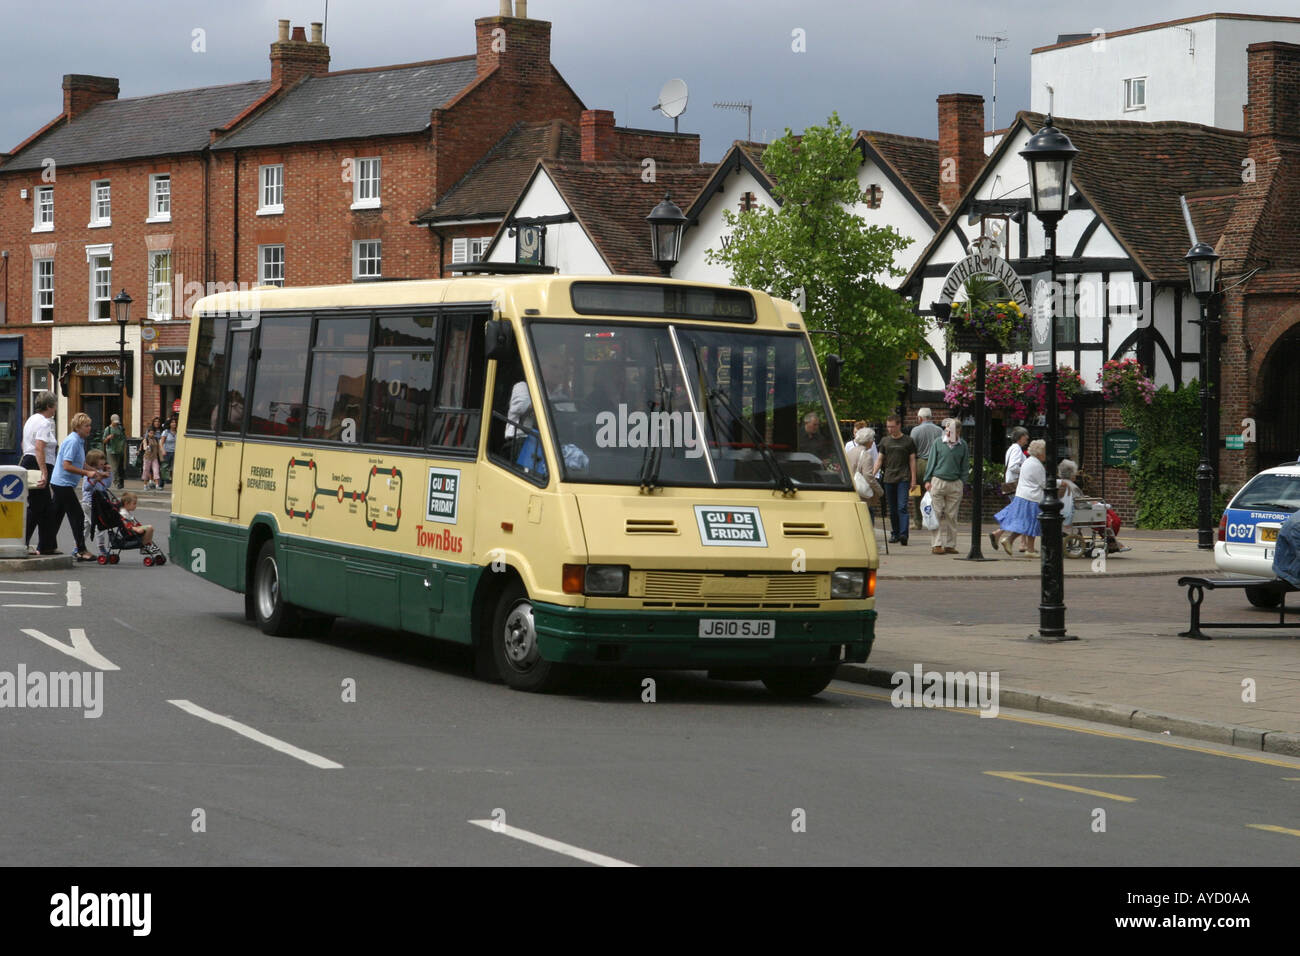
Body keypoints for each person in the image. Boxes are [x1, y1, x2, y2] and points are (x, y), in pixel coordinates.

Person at [49, 412, 103, 562]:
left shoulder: (79, 441)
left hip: (63, 483)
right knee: (77, 516)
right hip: (62, 483)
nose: (89, 428)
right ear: (78, 427)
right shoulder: (73, 441)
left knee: (56, 516)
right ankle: (81, 550)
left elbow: (79, 463)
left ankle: (47, 545)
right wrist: (87, 473)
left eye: (90, 425)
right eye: (86, 426)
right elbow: (66, 465)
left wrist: (95, 472)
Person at [991, 438, 1046, 556]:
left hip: (1023, 495)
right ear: (1040, 452)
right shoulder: (1037, 465)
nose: (1046, 454)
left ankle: (1008, 539)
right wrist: (1059, 482)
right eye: (1045, 451)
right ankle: (1029, 549)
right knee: (1030, 523)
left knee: (1022, 521)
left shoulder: (1028, 461)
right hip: (1032, 497)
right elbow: (1044, 483)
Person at [21, 391, 59, 555]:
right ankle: (21, 542)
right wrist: (44, 472)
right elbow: (39, 447)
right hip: (38, 464)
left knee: (46, 507)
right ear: (49, 406)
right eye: (55, 405)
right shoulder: (44, 422)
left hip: (29, 461)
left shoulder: (31, 420)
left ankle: (47, 545)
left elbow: (25, 443)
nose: (55, 409)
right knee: (37, 507)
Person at [923, 418, 969, 554]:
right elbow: (931, 461)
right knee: (936, 513)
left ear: (959, 431)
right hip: (938, 481)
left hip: (955, 482)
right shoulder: (938, 443)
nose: (949, 433)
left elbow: (965, 465)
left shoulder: (963, 445)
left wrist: (962, 481)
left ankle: (950, 544)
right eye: (947, 430)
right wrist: (927, 479)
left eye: (952, 430)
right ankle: (936, 544)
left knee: (952, 515)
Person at [878, 414, 917, 545]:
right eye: (888, 427)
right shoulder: (885, 441)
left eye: (892, 427)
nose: (890, 429)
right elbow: (880, 459)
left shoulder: (908, 441)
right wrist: (873, 473)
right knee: (892, 508)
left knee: (902, 507)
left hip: (903, 478)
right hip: (889, 478)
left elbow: (912, 461)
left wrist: (913, 479)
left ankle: (903, 534)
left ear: (899, 425)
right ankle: (895, 533)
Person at [80, 449, 111, 546]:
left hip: (98, 502)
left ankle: (78, 545)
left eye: (103, 460)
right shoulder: (89, 473)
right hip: (89, 502)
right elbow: (86, 488)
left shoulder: (101, 471)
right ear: (93, 462)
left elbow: (107, 485)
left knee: (87, 526)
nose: (103, 462)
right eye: (101, 461)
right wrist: (96, 480)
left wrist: (109, 473)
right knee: (99, 525)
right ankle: (101, 547)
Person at [102, 414, 125, 490]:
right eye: (115, 422)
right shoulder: (107, 429)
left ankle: (117, 481)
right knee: (114, 468)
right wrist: (108, 438)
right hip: (111, 450)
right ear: (111, 421)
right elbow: (103, 441)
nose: (116, 423)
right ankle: (116, 482)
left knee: (118, 467)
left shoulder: (120, 428)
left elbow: (123, 438)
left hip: (119, 450)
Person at [159, 418, 177, 488]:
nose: (174, 424)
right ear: (169, 424)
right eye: (172, 422)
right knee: (165, 468)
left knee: (173, 468)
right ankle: (161, 484)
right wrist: (163, 450)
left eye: (175, 422)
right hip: (167, 452)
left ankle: (174, 484)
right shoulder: (166, 432)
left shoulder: (177, 432)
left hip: (175, 452)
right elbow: (161, 443)